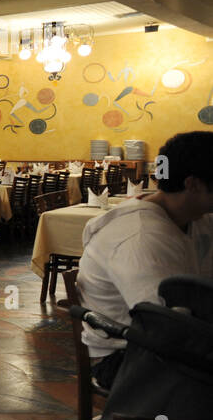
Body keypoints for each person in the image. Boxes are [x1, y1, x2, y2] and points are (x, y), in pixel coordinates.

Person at [77, 131, 213, 391]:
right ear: (193, 184)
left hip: (173, 340)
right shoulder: (140, 236)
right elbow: (166, 329)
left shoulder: (197, 218)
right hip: (126, 356)